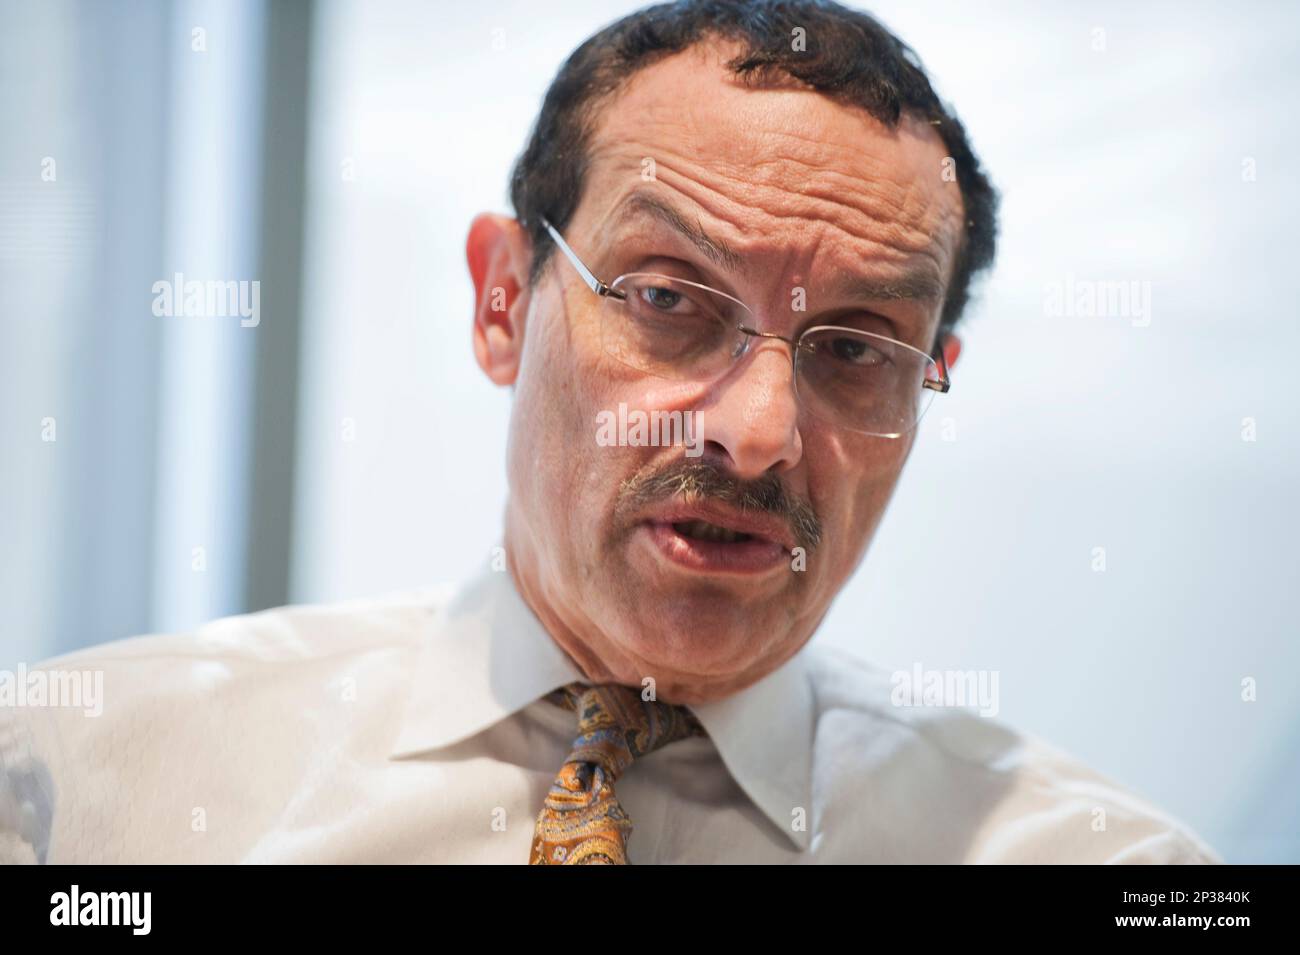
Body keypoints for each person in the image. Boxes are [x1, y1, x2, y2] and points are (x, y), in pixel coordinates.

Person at [0, 0, 1220, 864]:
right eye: (668, 301)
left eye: (855, 350)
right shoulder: (86, 781)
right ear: (499, 304)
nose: (755, 434)